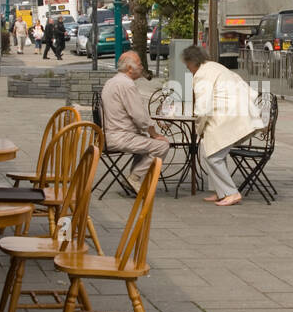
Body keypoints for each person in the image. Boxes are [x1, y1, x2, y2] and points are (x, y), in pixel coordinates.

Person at [183, 45, 265, 206]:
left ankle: (231, 193)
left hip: (228, 116)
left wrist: (199, 129)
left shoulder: (201, 75)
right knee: (213, 152)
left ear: (192, 62)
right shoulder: (216, 67)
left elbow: (202, 108)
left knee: (213, 156)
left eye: (187, 65)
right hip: (236, 112)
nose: (187, 69)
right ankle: (220, 191)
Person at [102, 51, 171, 192]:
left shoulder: (112, 82)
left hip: (110, 134)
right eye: (139, 64)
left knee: (145, 142)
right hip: (121, 136)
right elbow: (140, 117)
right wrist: (155, 134)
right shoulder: (126, 85)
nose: (142, 67)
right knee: (161, 146)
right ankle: (134, 178)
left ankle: (133, 178)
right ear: (129, 68)